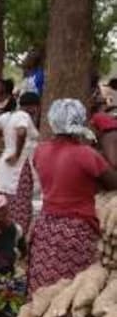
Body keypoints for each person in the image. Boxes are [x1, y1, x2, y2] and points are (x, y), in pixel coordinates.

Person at [29, 99, 117, 293]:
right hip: (77, 228)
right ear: (80, 122)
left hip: (46, 224)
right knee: (70, 287)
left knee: (45, 283)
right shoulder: (87, 155)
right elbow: (113, 183)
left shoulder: (40, 151)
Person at [0, 92, 41, 232]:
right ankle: (17, 237)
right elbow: (21, 132)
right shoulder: (24, 116)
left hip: (6, 164)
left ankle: (1, 231)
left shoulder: (8, 116)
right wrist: (17, 153)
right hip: (19, 165)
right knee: (20, 202)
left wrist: (3, 143)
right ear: (33, 107)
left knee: (3, 200)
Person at [91, 99, 117, 166]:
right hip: (115, 129)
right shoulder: (106, 114)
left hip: (108, 133)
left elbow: (94, 131)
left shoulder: (94, 118)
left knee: (112, 159)